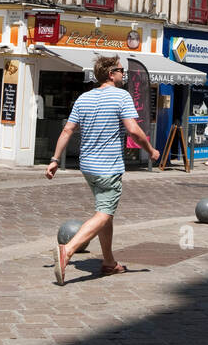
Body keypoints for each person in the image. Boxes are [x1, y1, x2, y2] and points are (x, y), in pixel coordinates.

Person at [45, 55, 159, 286]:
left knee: (105, 211)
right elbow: (133, 130)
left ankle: (109, 262)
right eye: (120, 70)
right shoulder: (121, 96)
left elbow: (67, 130)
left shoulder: (84, 98)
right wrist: (150, 149)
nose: (123, 74)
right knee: (104, 213)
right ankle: (67, 251)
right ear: (110, 74)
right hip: (108, 167)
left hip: (88, 166)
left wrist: (55, 159)